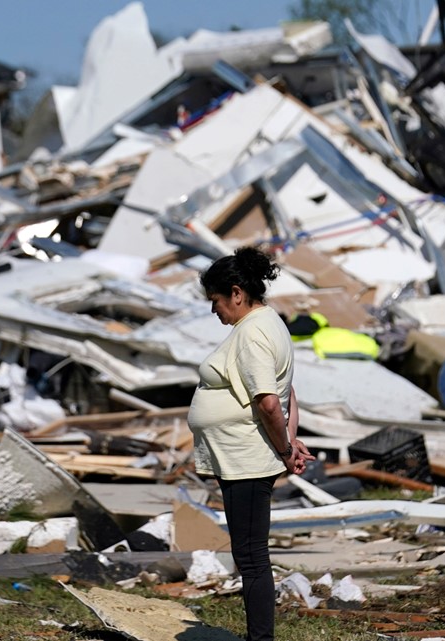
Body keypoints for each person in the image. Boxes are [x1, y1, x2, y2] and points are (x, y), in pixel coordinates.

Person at [188, 246, 315, 641]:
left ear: (237, 293)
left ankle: (261, 639)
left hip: (246, 457)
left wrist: (285, 450)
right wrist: (289, 438)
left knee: (251, 557)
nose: (214, 310)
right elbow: (287, 388)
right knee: (250, 553)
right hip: (242, 455)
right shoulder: (267, 323)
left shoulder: (252, 333)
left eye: (216, 300)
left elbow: (269, 401)